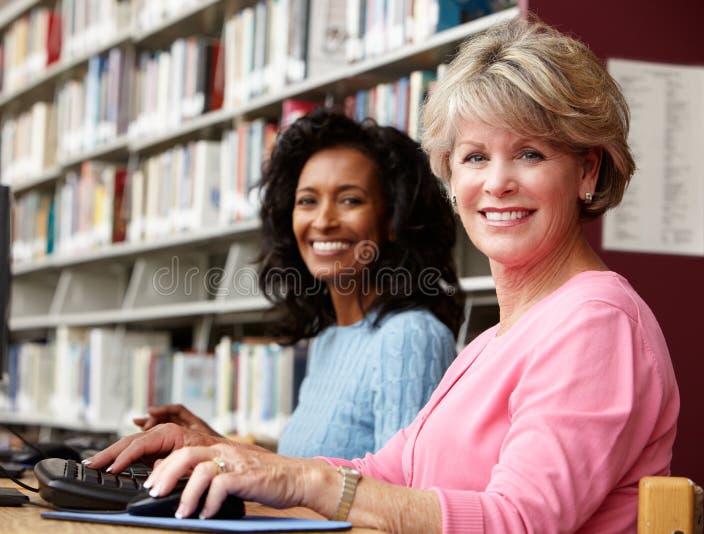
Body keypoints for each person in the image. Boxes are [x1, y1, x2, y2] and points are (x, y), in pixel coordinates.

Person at [86, 18, 679, 533]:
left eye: (531, 154)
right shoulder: (496, 341)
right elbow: (386, 474)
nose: (496, 183)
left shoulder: (596, 324)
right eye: (474, 156)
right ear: (450, 178)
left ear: (587, 170)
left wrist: (305, 482)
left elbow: (518, 522)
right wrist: (227, 456)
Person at [129, 109, 465, 459]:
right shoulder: (329, 340)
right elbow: (304, 478)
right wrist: (214, 446)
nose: (322, 221)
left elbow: (400, 500)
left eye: (350, 200)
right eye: (307, 201)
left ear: (393, 220)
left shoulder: (410, 338)